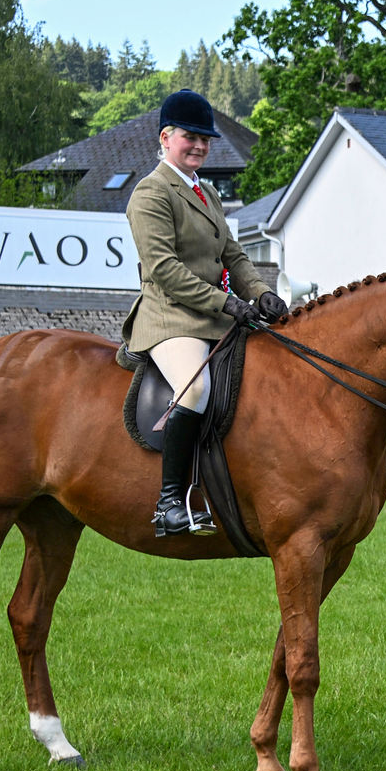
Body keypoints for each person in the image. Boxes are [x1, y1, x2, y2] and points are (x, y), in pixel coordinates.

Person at [122, 89, 286, 537]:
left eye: (205, 140)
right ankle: (170, 502)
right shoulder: (151, 193)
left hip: (216, 315)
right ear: (166, 137)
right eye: (190, 137)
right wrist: (227, 302)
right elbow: (165, 271)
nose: (199, 146)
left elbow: (233, 253)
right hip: (170, 316)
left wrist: (259, 292)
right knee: (195, 390)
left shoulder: (208, 192)